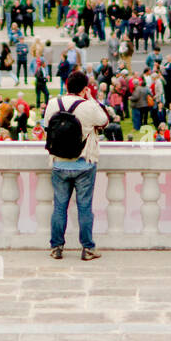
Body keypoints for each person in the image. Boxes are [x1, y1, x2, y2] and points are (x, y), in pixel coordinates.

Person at [43, 70, 109, 261]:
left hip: (59, 162)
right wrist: (92, 99)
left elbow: (48, 124)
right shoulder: (88, 106)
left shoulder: (54, 103)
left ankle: (56, 247)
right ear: (84, 88)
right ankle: (88, 248)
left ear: (66, 86)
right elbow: (104, 121)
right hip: (83, 163)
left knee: (59, 207)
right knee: (85, 207)